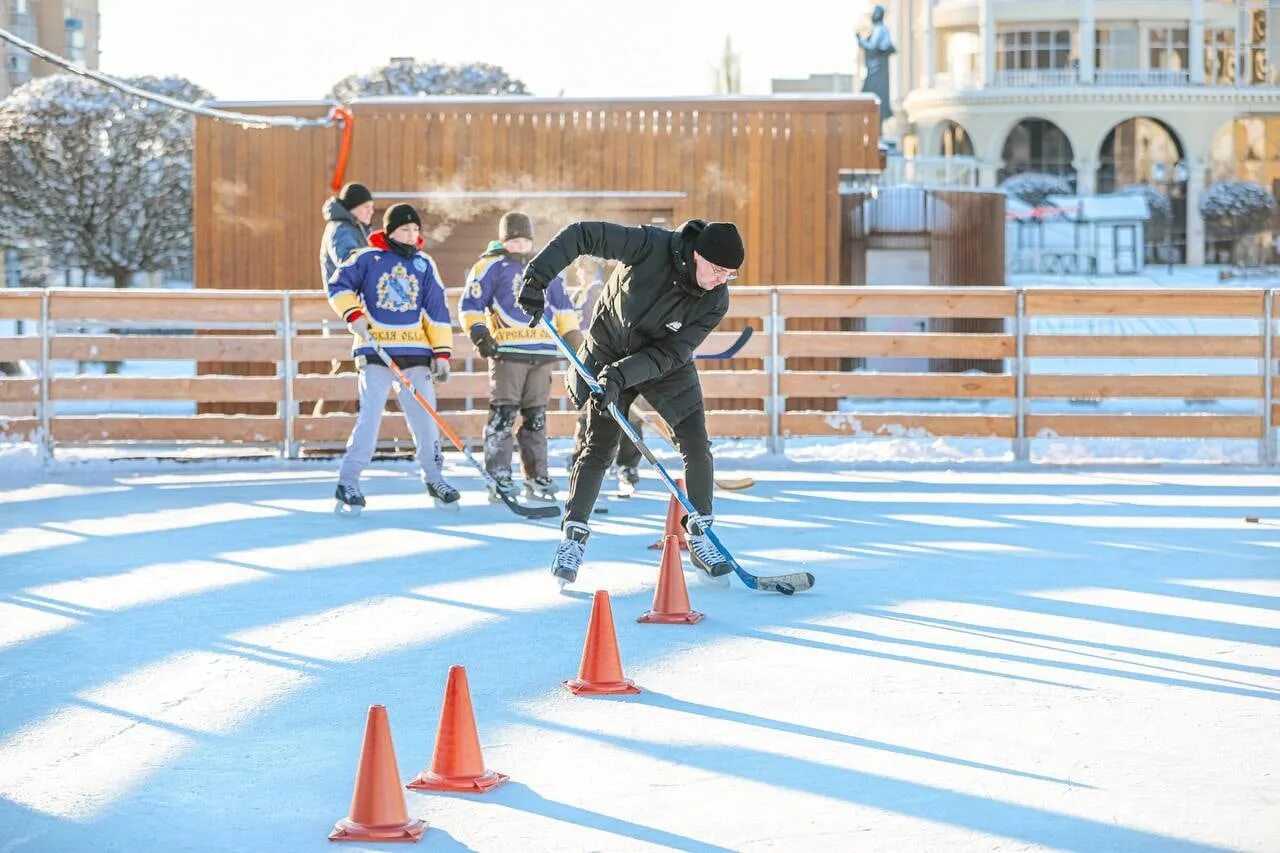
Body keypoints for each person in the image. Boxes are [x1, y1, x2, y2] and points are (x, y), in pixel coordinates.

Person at [517, 219, 744, 585]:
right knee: (598, 446)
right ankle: (573, 535)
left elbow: (673, 351)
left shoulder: (716, 301)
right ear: (697, 254)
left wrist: (622, 376)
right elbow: (581, 235)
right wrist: (536, 278)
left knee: (697, 444)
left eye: (729, 274)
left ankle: (701, 533)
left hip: (664, 364)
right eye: (718, 270)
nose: (721, 279)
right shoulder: (649, 245)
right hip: (609, 349)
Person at [327, 202, 460, 512]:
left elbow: (436, 310)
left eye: (416, 229)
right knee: (370, 416)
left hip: (416, 353)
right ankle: (349, 480)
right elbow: (339, 286)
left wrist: (441, 354)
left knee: (425, 417)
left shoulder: (425, 264)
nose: (412, 235)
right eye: (405, 229)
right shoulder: (367, 258)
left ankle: (434, 476)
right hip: (376, 351)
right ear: (390, 230)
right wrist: (353, 313)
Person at [458, 212, 582, 502]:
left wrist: (573, 338)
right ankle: (498, 473)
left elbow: (562, 308)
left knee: (536, 416)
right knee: (504, 413)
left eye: (525, 240)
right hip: (508, 353)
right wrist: (479, 333)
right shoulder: (490, 266)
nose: (520, 245)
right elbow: (471, 304)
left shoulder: (545, 268)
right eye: (514, 241)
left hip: (542, 353)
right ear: (504, 241)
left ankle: (536, 473)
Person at [567, 257, 643, 493]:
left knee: (621, 412)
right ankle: (593, 461)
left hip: (606, 362)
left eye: (581, 271)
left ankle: (623, 464)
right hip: (596, 361)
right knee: (599, 412)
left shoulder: (597, 292)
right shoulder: (583, 294)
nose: (579, 275)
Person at [320, 182, 374, 285]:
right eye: (366, 207)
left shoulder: (358, 229)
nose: (371, 211)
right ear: (352, 207)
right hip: (345, 295)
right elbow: (348, 262)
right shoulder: (341, 230)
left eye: (372, 207)